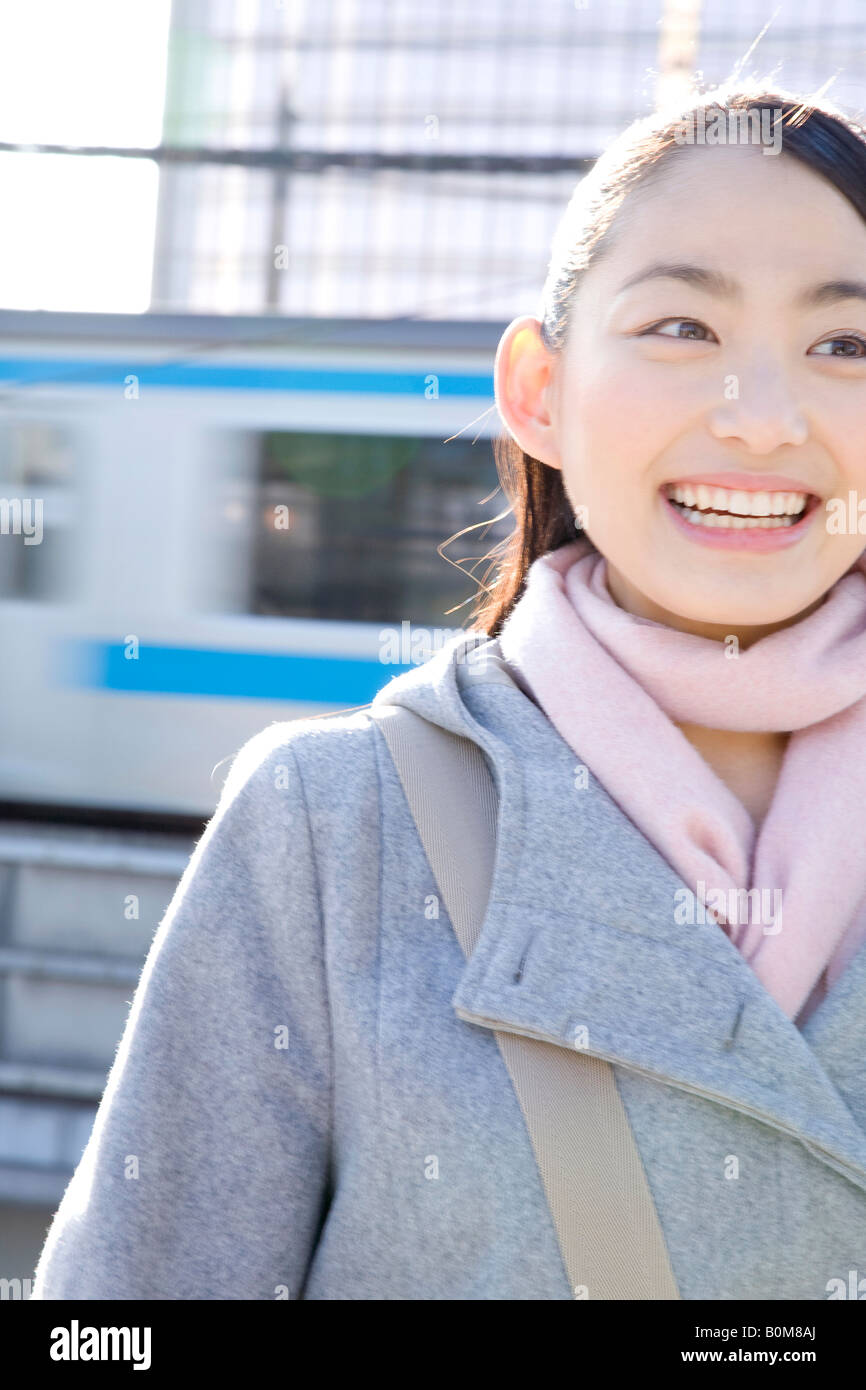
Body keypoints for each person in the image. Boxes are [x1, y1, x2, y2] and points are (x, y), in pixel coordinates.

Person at [31, 77, 866, 1301]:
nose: (759, 419)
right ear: (539, 392)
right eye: (680, 328)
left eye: (844, 343)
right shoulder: (331, 825)